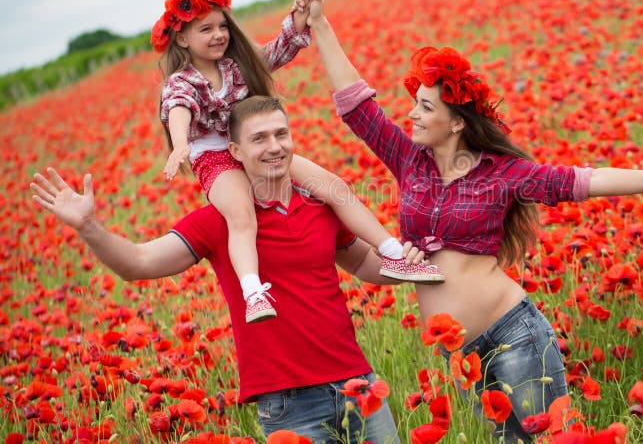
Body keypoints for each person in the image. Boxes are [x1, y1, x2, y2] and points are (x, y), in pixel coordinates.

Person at [306, 0, 643, 441]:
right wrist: (320, 24)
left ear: (456, 122)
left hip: (512, 332)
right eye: (414, 104)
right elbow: (357, 110)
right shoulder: (408, 160)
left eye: (424, 107)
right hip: (457, 352)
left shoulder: (503, 173)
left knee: (555, 438)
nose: (411, 114)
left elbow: (581, 182)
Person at [30, 96, 415, 443]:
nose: (275, 146)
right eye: (259, 138)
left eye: (281, 134)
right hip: (288, 404)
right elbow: (138, 264)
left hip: (358, 383)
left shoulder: (320, 206)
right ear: (235, 150)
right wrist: (87, 226)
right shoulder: (218, 222)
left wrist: (414, 267)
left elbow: (364, 262)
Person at [152, 0, 442, 323]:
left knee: (334, 187)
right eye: (206, 30)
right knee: (241, 216)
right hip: (214, 157)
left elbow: (275, 52)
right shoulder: (181, 81)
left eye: (222, 27)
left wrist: (301, 13)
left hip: (255, 146)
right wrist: (181, 144)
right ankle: (254, 293)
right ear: (181, 38)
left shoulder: (234, 67)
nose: (218, 35)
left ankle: (393, 253)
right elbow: (179, 108)